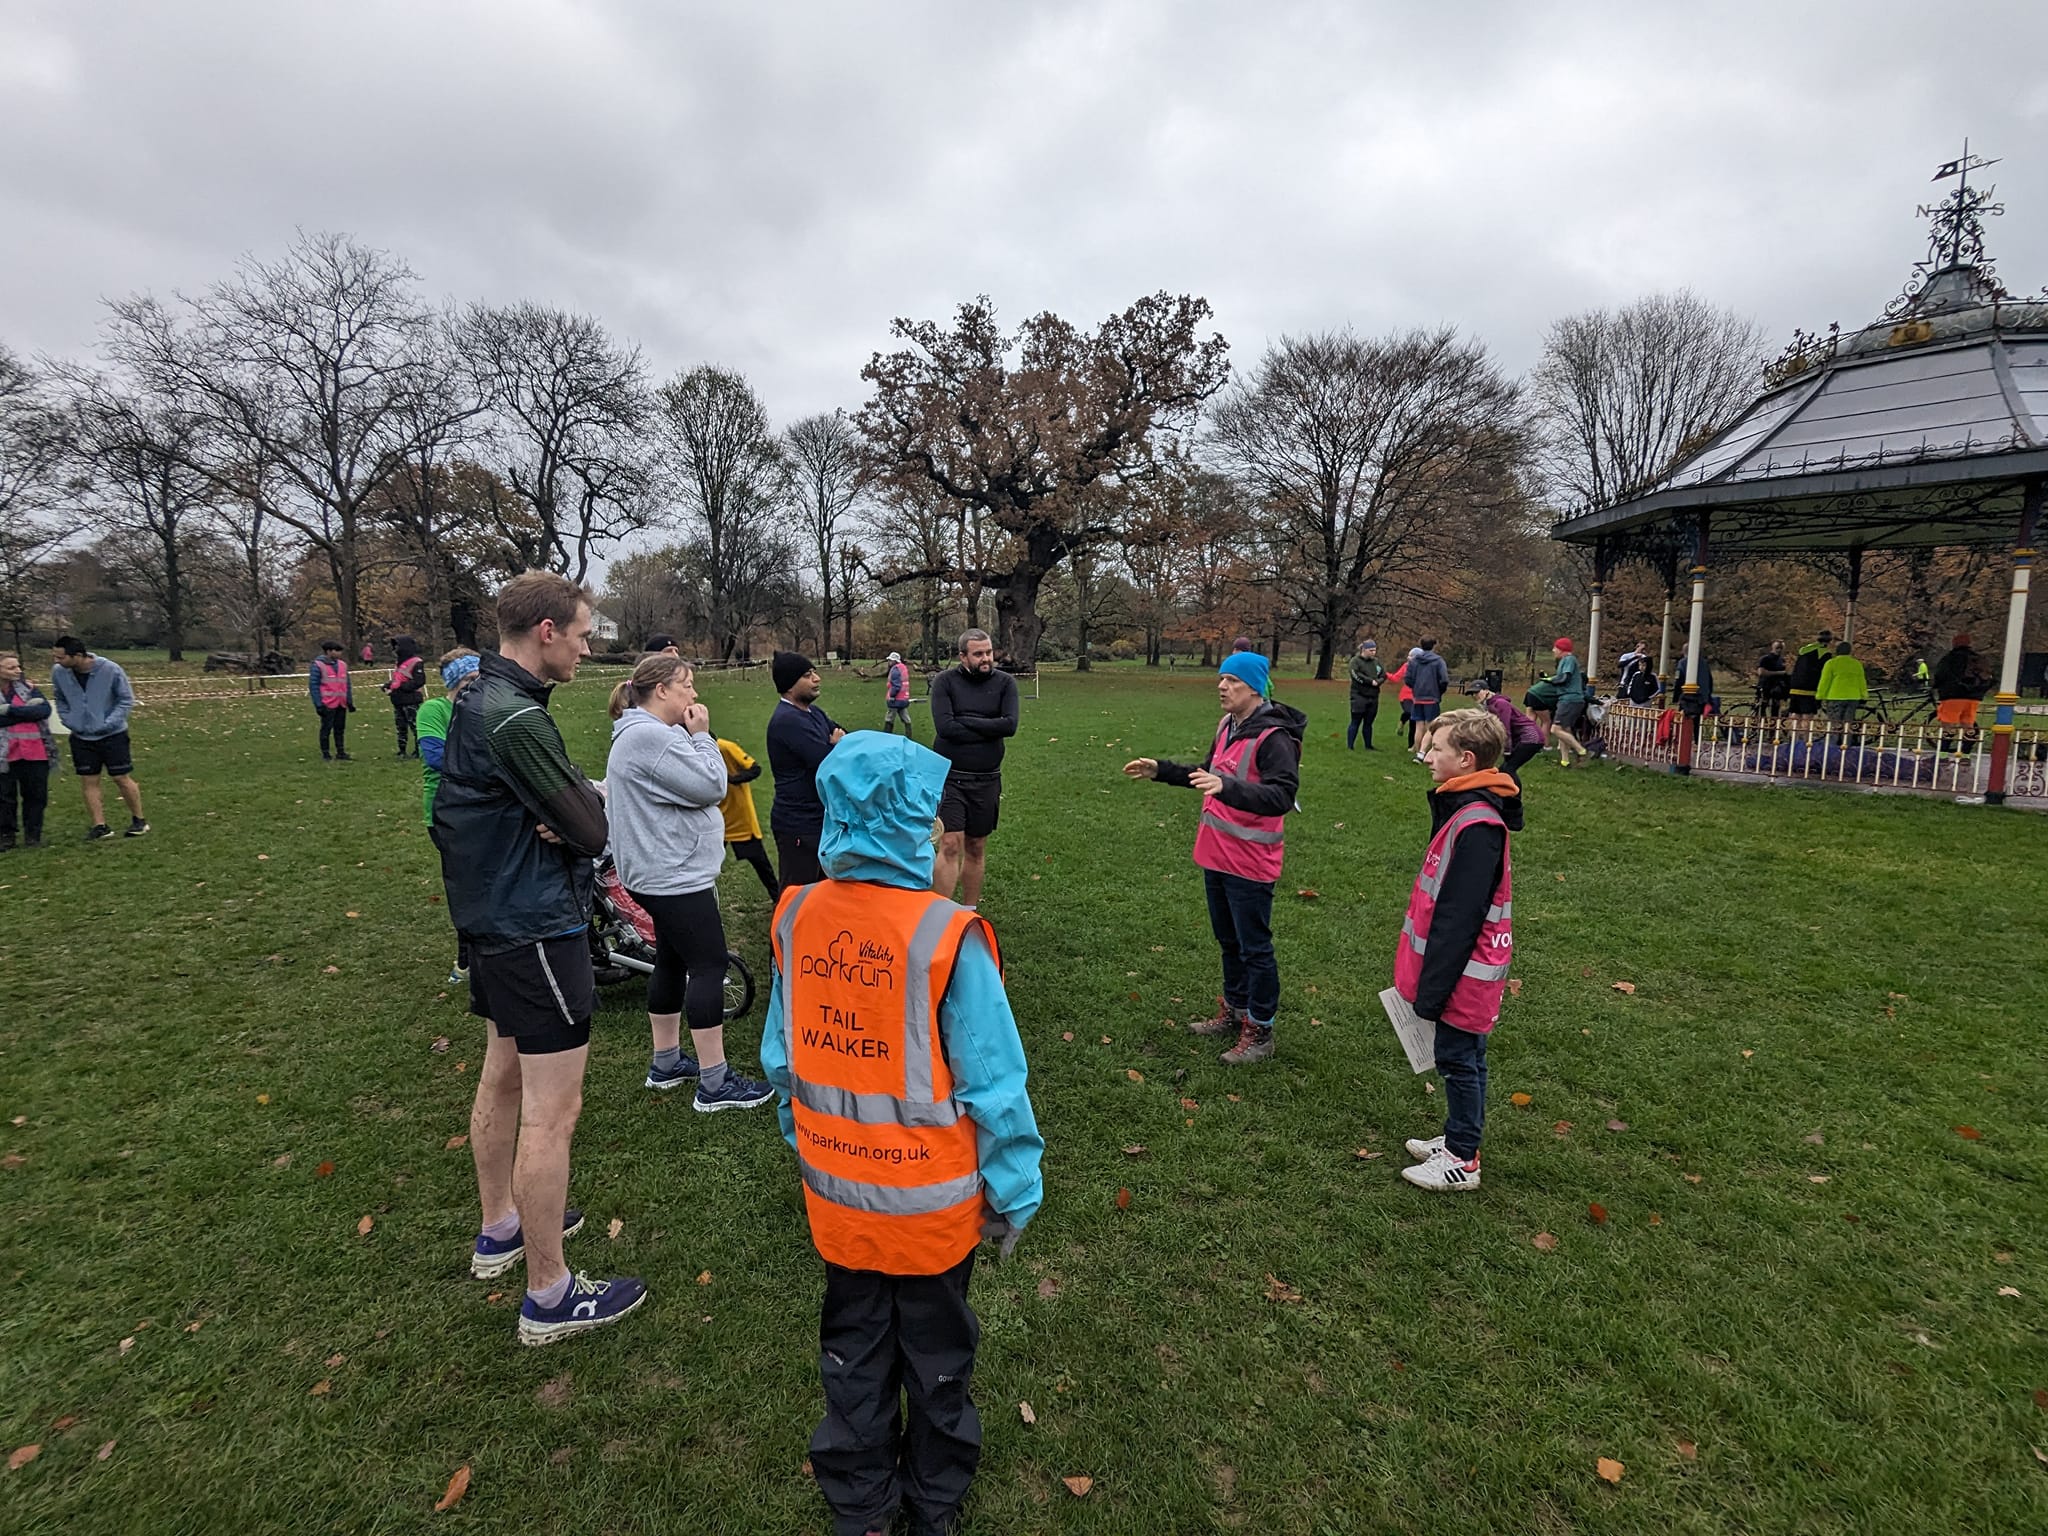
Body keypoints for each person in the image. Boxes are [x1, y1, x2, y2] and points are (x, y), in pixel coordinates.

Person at [760, 732, 1043, 1536]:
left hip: (839, 1203)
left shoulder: (798, 915)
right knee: (938, 1360)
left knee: (852, 1351)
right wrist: (1015, 1189)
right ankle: (933, 1500)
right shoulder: (946, 936)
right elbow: (996, 1084)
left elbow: (784, 1060)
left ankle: (863, 1504)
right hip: (933, 1217)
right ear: (918, 833)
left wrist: (805, 1142)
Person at [434, 572, 644, 1344]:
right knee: (553, 1113)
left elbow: (566, 817)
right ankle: (550, 1294)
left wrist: (566, 816)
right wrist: (572, 819)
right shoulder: (517, 717)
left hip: (492, 922)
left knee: (503, 1071)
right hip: (535, 927)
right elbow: (593, 830)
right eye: (585, 634)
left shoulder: (476, 699)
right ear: (547, 631)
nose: (591, 648)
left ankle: (501, 1228)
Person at [606, 654, 776, 1109]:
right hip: (672, 874)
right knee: (709, 964)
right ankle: (715, 1083)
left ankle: (666, 1063)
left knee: (672, 961)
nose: (694, 694)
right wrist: (701, 737)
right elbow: (710, 785)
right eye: (688, 685)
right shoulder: (650, 736)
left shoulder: (640, 733)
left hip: (656, 870)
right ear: (662, 690)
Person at [1123, 650, 1304, 1067]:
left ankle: (1260, 1030)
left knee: (1254, 947)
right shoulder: (1228, 725)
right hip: (1216, 855)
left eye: (1232, 681)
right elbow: (1209, 772)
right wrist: (1161, 770)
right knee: (1228, 941)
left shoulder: (1274, 736)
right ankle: (1235, 1012)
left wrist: (1227, 787)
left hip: (1251, 862)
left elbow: (1282, 796)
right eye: (1221, 679)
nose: (1222, 686)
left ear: (1254, 688)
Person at [1396, 708, 1521, 1193]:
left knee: (1458, 1059)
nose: (1426, 756)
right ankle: (1458, 1137)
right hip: (1458, 969)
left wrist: (1433, 991)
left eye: (1437, 749)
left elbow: (1459, 918)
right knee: (1465, 1055)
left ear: (1466, 760)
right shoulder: (1465, 808)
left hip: (1465, 972)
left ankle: (1462, 1160)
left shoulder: (1478, 825)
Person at [929, 629, 1019, 911]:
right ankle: (939, 913)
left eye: (989, 652)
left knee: (976, 845)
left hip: (987, 778)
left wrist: (966, 720)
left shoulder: (1005, 683)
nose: (985, 658)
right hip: (950, 778)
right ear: (962, 656)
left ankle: (968, 912)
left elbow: (1010, 726)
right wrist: (989, 725)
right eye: (978, 654)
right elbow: (945, 728)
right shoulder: (945, 682)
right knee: (951, 843)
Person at [417, 646, 482, 984]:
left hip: (483, 809)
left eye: (479, 678)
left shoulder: (482, 709)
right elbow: (436, 757)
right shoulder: (433, 710)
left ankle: (487, 954)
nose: (475, 685)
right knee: (467, 886)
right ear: (454, 682)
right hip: (446, 812)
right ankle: (465, 961)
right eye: (469, 679)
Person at [50, 637, 147, 842]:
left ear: (77, 656)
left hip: (113, 736)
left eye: (61, 657)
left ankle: (139, 820)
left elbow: (125, 699)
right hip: (81, 737)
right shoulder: (59, 672)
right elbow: (59, 698)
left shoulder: (110, 669)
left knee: (121, 777)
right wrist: (69, 721)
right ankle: (100, 826)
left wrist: (108, 723)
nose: (57, 661)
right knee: (89, 780)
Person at [767, 650, 845, 889]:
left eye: (814, 672)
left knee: (822, 891)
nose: (817, 678)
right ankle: (785, 928)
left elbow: (845, 739)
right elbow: (826, 761)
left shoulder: (815, 713)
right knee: (797, 893)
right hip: (797, 823)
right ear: (790, 685)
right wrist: (834, 745)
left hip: (819, 819)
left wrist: (836, 744)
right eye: (807, 675)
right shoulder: (787, 720)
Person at [1, 651, 55, 851]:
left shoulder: (29, 689)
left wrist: (9, 711)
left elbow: (43, 711)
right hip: (4, 753)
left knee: (36, 795)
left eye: (18, 666)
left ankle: (33, 834)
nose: (18, 671)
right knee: (4, 797)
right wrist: (26, 713)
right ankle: (6, 835)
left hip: (34, 751)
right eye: (11, 667)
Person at [716, 734, 779, 901]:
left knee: (760, 864)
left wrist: (730, 779)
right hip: (714, 821)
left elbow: (754, 769)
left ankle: (779, 899)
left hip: (739, 819)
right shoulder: (691, 753)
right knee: (703, 869)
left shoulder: (725, 747)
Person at [1932, 632, 1991, 753]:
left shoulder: (1950, 657)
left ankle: (1943, 753)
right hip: (1973, 697)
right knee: (1968, 725)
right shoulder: (1977, 658)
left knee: (1948, 725)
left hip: (1952, 696)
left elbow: (1940, 674)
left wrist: (1936, 686)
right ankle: (1966, 753)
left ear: (1954, 643)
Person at [1472, 687, 1547, 782]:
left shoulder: (1500, 703)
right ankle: (1507, 793)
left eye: (1477, 692)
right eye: (1472, 694)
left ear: (1486, 691)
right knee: (1504, 769)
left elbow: (1504, 726)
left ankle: (1514, 794)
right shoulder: (1491, 705)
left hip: (1531, 738)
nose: (1474, 696)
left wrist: (1507, 749)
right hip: (1523, 738)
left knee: (1508, 769)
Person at [1535, 639, 1589, 767]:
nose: (1553, 650)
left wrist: (1551, 681)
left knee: (1555, 729)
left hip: (1570, 699)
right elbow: (1559, 677)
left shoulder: (1569, 660)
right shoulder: (1564, 661)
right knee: (1564, 730)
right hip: (1566, 699)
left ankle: (1581, 751)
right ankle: (1565, 761)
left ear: (1562, 649)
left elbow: (1564, 678)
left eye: (1555, 648)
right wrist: (1547, 678)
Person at [1404, 637, 1449, 761]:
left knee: (1419, 726)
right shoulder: (1438, 661)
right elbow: (1444, 679)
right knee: (1431, 726)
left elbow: (1407, 678)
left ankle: (1418, 752)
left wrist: (1415, 688)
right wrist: (1439, 691)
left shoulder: (1414, 661)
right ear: (1434, 646)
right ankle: (1425, 753)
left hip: (1418, 697)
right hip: (1432, 697)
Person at [309, 640, 354, 761]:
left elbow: (347, 684)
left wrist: (349, 701)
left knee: (340, 728)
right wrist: (318, 704)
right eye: (336, 650)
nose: (339, 653)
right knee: (326, 729)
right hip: (327, 703)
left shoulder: (343, 665)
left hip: (341, 703)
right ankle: (326, 753)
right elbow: (314, 686)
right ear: (328, 651)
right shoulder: (318, 665)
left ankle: (341, 752)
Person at [383, 635, 427, 758]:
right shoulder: (399, 663)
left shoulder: (416, 662)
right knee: (400, 727)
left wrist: (400, 687)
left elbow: (419, 681)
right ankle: (402, 750)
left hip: (411, 699)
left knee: (415, 727)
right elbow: (399, 679)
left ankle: (419, 751)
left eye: (397, 646)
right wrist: (389, 685)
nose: (395, 649)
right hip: (398, 700)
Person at [1816, 641, 1868, 729]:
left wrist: (1819, 696)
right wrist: (1864, 695)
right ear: (1849, 651)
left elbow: (1825, 681)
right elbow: (1861, 681)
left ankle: (1835, 741)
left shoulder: (1831, 663)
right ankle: (1846, 740)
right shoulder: (1856, 664)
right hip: (1853, 697)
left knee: (1835, 724)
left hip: (1835, 696)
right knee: (1848, 723)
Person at [1347, 638, 1386, 750]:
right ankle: (1350, 746)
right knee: (1355, 721)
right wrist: (1370, 681)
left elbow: (1383, 675)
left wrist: (1378, 682)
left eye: (1374, 650)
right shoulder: (1355, 661)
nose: (1373, 653)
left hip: (1373, 696)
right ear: (1364, 650)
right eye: (1371, 650)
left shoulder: (1376, 662)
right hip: (1359, 696)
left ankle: (1368, 745)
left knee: (1368, 723)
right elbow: (1355, 675)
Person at [1787, 630, 1832, 718]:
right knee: (1807, 716)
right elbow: (1824, 672)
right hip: (1809, 689)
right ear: (1829, 641)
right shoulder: (1825, 653)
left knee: (1795, 713)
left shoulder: (1804, 649)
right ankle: (1804, 732)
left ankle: (1794, 731)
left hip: (1795, 686)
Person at [1754, 639, 1791, 719]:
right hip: (1765, 686)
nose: (1779, 650)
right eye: (1777, 647)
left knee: (1775, 710)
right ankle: (1759, 726)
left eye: (1781, 648)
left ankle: (1772, 729)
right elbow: (1761, 672)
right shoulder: (1765, 659)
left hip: (1776, 688)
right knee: (1762, 709)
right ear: (1773, 647)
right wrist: (1779, 673)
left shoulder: (1782, 660)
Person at [881, 651, 915, 737]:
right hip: (903, 698)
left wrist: (892, 696)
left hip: (895, 699)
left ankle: (886, 735)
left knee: (890, 717)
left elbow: (896, 686)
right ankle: (909, 735)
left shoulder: (895, 670)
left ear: (894, 661)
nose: (889, 662)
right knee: (905, 717)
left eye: (890, 660)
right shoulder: (903, 668)